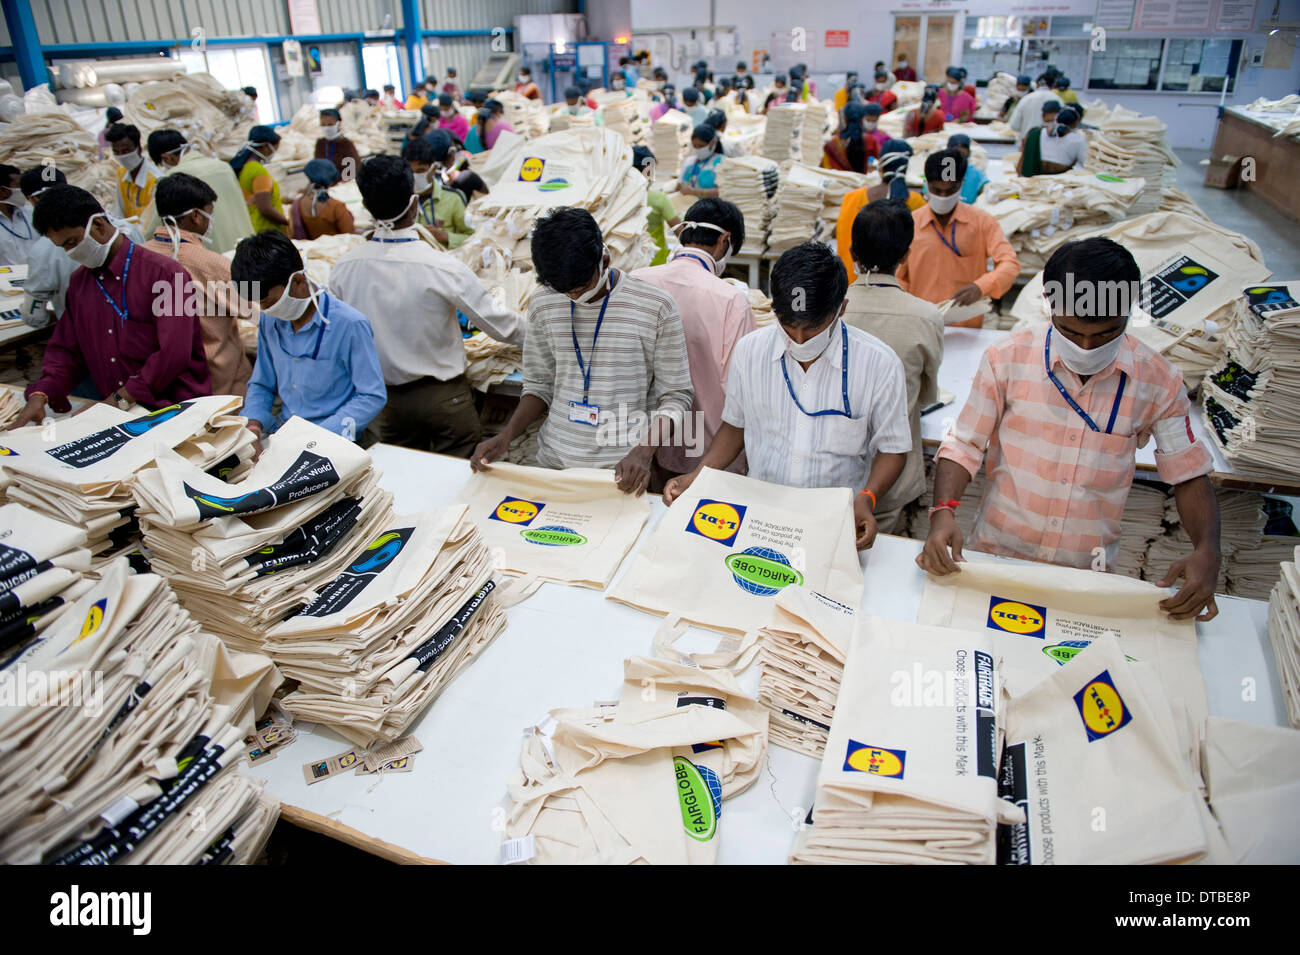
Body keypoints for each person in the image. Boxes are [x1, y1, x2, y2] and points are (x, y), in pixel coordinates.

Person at [918, 238, 1222, 621]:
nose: (1087, 347)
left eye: (1106, 334)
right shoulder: (1007, 359)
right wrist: (943, 512)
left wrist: (1208, 549)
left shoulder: (1158, 382)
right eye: (1071, 331)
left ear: (1129, 313)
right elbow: (964, 444)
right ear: (1050, 307)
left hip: (1085, 576)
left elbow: (1189, 473)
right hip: (996, 557)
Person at [663, 242, 910, 551]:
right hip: (759, 513)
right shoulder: (751, 351)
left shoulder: (878, 364)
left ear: (841, 309)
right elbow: (735, 426)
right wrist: (699, 475)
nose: (799, 340)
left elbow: (893, 448)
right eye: (788, 327)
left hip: (832, 520)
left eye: (813, 329)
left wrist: (868, 497)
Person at [470, 207, 692, 493]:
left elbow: (676, 396)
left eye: (580, 287)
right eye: (565, 292)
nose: (573, 297)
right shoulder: (545, 301)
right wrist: (508, 434)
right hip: (553, 463)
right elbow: (539, 384)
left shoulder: (655, 307)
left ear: (605, 259)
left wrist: (642, 453)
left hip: (621, 470)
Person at [329, 156, 520, 454]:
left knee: (404, 481)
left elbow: (341, 337)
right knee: (460, 479)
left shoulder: (344, 268)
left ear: (366, 207)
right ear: (415, 204)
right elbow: (500, 324)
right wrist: (551, 334)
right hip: (443, 399)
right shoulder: (442, 266)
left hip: (384, 401)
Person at [11, 185, 210, 426]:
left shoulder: (166, 275)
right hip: (117, 413)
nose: (70, 252)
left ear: (98, 225)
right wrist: (41, 393)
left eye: (73, 242)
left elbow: (173, 354)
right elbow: (67, 350)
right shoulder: (80, 284)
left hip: (171, 410)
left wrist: (118, 400)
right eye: (63, 246)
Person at [632, 197, 756, 483]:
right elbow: (742, 388)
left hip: (636, 440)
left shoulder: (635, 281)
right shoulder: (731, 300)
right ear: (725, 240)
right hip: (707, 449)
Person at [841, 199, 944, 533]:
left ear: (852, 253)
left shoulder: (828, 310)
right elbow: (927, 396)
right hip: (890, 484)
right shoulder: (926, 317)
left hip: (832, 476)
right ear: (905, 256)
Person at [232, 230, 385, 442]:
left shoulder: (348, 324)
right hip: (288, 433)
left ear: (298, 281)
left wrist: (319, 436)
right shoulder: (270, 320)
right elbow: (262, 383)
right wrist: (254, 421)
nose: (266, 309)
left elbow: (371, 396)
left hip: (337, 439)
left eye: (269, 301)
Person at [145, 173, 254, 398]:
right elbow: (254, 309)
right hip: (218, 379)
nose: (209, 222)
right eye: (209, 215)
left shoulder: (141, 255)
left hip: (160, 379)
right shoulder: (210, 264)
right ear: (196, 215)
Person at [897, 148, 1018, 328]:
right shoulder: (910, 224)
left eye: (950, 190)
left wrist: (981, 287)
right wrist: (906, 306)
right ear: (926, 184)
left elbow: (1010, 263)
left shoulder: (982, 222)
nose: (943, 197)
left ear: (962, 183)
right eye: (936, 190)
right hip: (920, 325)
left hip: (966, 327)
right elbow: (897, 275)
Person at [19, 167, 145, 327]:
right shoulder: (128, 229)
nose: (69, 251)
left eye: (71, 243)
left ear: (34, 201)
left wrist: (63, 323)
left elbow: (33, 315)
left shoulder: (43, 251)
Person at [143, 129, 254, 254]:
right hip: (245, 245)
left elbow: (157, 225)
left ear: (167, 158)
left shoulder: (174, 178)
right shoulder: (224, 167)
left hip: (211, 252)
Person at [835, 140, 923, 281]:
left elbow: (843, 245)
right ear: (905, 168)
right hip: (896, 288)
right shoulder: (915, 201)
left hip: (852, 285)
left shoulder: (852, 198)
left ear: (880, 167)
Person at [404, 133, 473, 249]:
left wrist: (446, 236)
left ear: (433, 168)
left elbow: (473, 237)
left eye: (421, 170)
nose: (415, 176)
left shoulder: (453, 199)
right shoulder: (400, 199)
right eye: (411, 171)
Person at [231, 126, 288, 235]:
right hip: (266, 230)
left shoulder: (245, 167)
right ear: (266, 146)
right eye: (275, 148)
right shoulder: (258, 171)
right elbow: (265, 209)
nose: (274, 153)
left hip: (253, 225)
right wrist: (287, 221)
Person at [632, 146, 679, 267]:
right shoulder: (659, 199)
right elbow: (681, 231)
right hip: (655, 263)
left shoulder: (614, 198)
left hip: (626, 263)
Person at [104, 123, 159, 220]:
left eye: (126, 151)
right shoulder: (121, 174)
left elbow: (153, 220)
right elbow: (119, 210)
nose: (122, 156)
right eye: (116, 152)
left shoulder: (156, 179)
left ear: (139, 149)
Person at [290, 159, 354, 240]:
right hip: (337, 250)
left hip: (314, 250)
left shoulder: (298, 204)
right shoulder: (336, 207)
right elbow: (350, 236)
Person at [822, 102, 879, 173]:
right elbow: (877, 160)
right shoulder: (870, 141)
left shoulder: (831, 145)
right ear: (862, 119)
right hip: (864, 182)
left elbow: (825, 169)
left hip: (839, 182)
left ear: (845, 119)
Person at [1031, 105, 1087, 175]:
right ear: (1075, 123)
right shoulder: (1078, 139)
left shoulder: (1041, 133)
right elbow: (1085, 163)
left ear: (1056, 120)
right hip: (1060, 173)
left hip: (1039, 171)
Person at [0, 164, 38, 266]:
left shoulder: (33, 214)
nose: (25, 190)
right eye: (19, 186)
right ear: (3, 191)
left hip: (36, 278)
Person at [1015, 99, 1063, 177]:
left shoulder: (1032, 132)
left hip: (1031, 176)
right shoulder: (1061, 135)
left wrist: (1019, 173)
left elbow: (1022, 156)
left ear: (1042, 116)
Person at [1008, 72, 1057, 143]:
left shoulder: (1026, 99)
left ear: (1036, 85)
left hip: (1027, 142)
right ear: (1053, 85)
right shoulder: (1058, 100)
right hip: (1050, 144)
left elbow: (1014, 125)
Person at [314, 108, 362, 181]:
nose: (326, 128)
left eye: (330, 124)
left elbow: (351, 173)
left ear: (338, 124)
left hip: (342, 185)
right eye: (323, 124)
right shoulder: (320, 143)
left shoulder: (346, 144)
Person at [679, 124, 724, 198]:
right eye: (695, 146)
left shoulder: (721, 162)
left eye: (701, 146)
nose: (698, 149)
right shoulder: (689, 162)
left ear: (712, 143)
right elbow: (680, 184)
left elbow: (723, 191)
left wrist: (695, 192)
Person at [947, 133, 987, 203]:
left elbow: (983, 198)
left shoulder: (977, 175)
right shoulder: (937, 172)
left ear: (969, 154)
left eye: (962, 156)